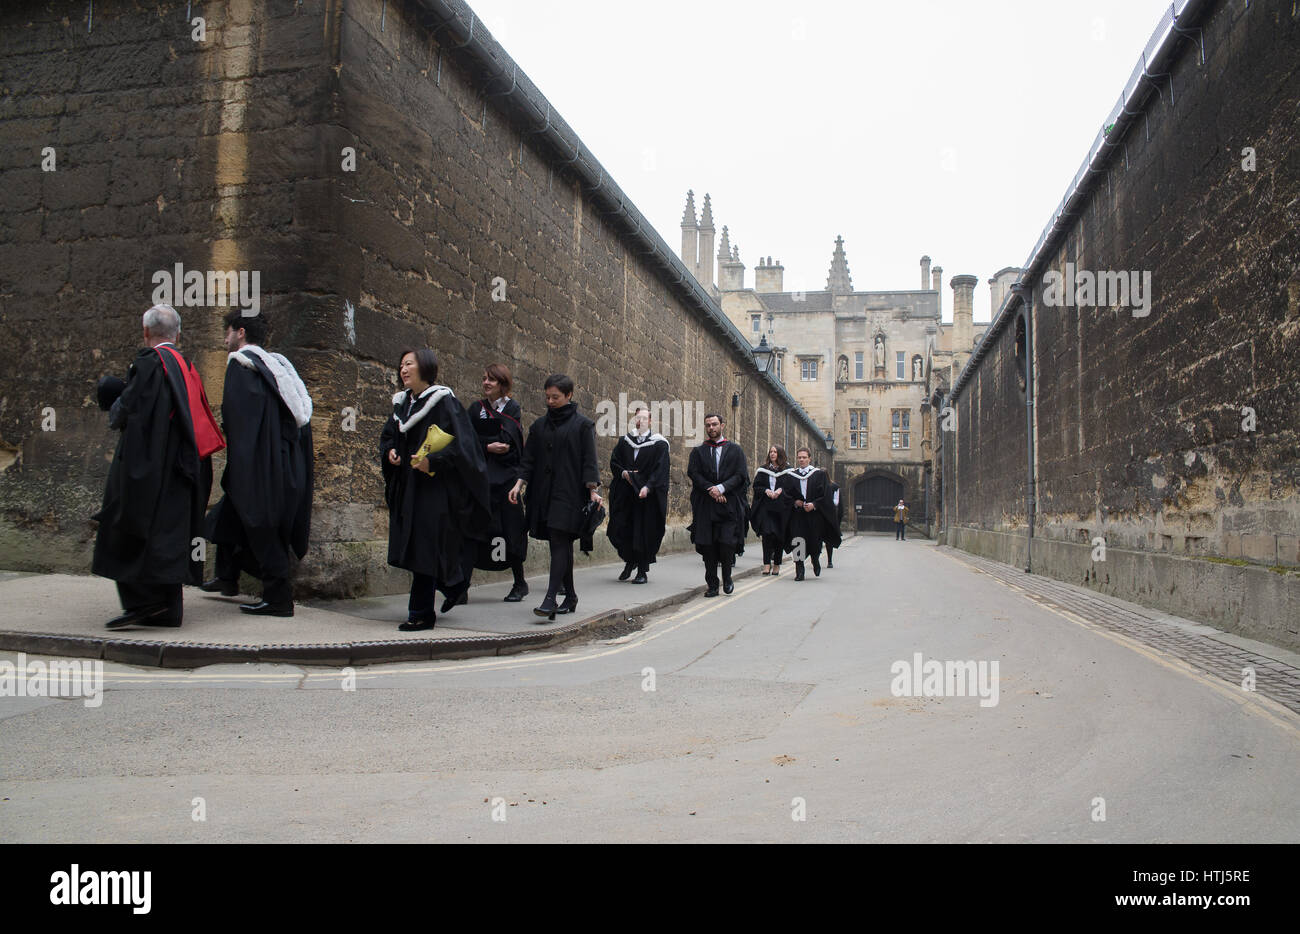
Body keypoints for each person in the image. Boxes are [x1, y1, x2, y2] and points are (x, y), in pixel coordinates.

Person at [93, 303, 218, 630]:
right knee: (169, 537)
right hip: (183, 468)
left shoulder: (149, 364)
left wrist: (114, 397)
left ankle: (144, 604)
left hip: (152, 468)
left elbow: (128, 412)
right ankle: (167, 609)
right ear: (178, 333)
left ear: (146, 332)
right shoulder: (186, 365)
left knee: (127, 525)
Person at [202, 311, 314, 617]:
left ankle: (279, 599)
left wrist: (244, 471)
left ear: (240, 333)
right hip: (284, 464)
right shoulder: (277, 368)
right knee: (227, 517)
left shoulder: (241, 368)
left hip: (258, 468)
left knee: (263, 527)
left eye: (227, 333)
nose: (224, 340)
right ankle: (227, 577)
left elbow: (242, 424)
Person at [380, 349, 491, 631]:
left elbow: (463, 445)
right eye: (401, 364)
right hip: (409, 486)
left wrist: (433, 460)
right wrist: (391, 451)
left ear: (425, 368)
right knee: (417, 546)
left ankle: (420, 613)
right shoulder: (402, 404)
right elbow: (390, 435)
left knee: (425, 547)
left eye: (409, 364)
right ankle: (453, 585)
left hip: (435, 488)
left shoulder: (444, 402)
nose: (403, 369)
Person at [508, 374, 601, 619]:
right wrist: (519, 484)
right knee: (559, 544)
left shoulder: (583, 425)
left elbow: (589, 461)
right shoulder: (539, 426)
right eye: (547, 397)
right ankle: (570, 596)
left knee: (559, 541)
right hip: (543, 493)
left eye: (555, 397)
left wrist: (592, 491)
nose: (550, 401)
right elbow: (528, 460)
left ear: (569, 395)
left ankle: (550, 599)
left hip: (570, 494)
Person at [467, 364, 530, 601]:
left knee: (510, 530)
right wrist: (486, 446)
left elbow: (507, 442)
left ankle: (519, 583)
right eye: (484, 378)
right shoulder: (475, 408)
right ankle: (463, 584)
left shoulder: (512, 409)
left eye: (491, 380)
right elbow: (465, 438)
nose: (486, 383)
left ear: (502, 384)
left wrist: (483, 440)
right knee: (475, 529)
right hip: (481, 480)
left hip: (506, 483)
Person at [686, 413, 748, 597]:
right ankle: (712, 584)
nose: (711, 428)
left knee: (727, 544)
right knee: (709, 546)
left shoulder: (735, 450)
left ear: (722, 425)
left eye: (714, 424)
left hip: (728, 505)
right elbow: (694, 474)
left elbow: (740, 475)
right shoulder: (699, 451)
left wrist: (722, 489)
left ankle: (727, 577)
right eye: (708, 425)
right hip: (706, 505)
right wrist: (711, 490)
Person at [607, 407, 670, 584]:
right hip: (626, 494)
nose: (640, 421)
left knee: (643, 532)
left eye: (644, 418)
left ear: (650, 421)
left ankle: (642, 570)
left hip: (646, 498)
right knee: (620, 528)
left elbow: (661, 470)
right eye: (637, 418)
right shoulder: (625, 441)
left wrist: (648, 486)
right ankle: (630, 560)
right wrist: (625, 474)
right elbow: (614, 462)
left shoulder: (659, 444)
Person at [780, 447, 834, 581]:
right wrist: (795, 502)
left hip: (813, 515)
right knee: (797, 540)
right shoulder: (792, 475)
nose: (801, 460)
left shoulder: (818, 475)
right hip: (797, 515)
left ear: (809, 458)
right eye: (799, 457)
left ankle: (815, 559)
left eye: (804, 457)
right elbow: (786, 494)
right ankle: (799, 570)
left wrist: (814, 504)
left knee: (814, 541)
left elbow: (825, 495)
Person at [751, 444, 790, 576]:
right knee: (767, 536)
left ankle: (777, 564)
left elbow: (791, 488)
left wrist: (780, 490)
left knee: (779, 537)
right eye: (771, 452)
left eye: (775, 452)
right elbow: (756, 486)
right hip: (766, 508)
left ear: (780, 454)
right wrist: (766, 490)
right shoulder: (763, 470)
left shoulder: (788, 470)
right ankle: (767, 564)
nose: (772, 454)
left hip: (781, 510)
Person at [825, 480, 844, 567]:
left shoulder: (834, 487)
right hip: (817, 516)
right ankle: (815, 559)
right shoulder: (814, 485)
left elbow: (837, 502)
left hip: (829, 516)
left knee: (829, 540)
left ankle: (829, 561)